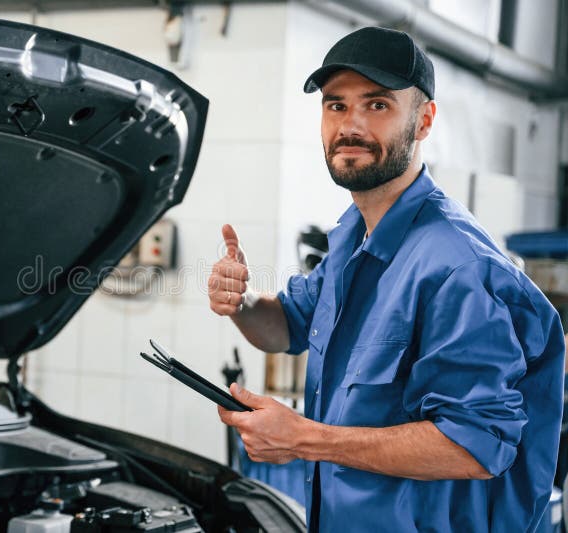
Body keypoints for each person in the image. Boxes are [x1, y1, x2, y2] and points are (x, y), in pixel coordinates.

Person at [209, 26, 566, 532]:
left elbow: (476, 445)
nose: (350, 125)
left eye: (376, 105)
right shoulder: (352, 238)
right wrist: (242, 302)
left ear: (423, 121)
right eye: (336, 106)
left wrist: (303, 438)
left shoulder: (458, 267)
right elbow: (287, 326)